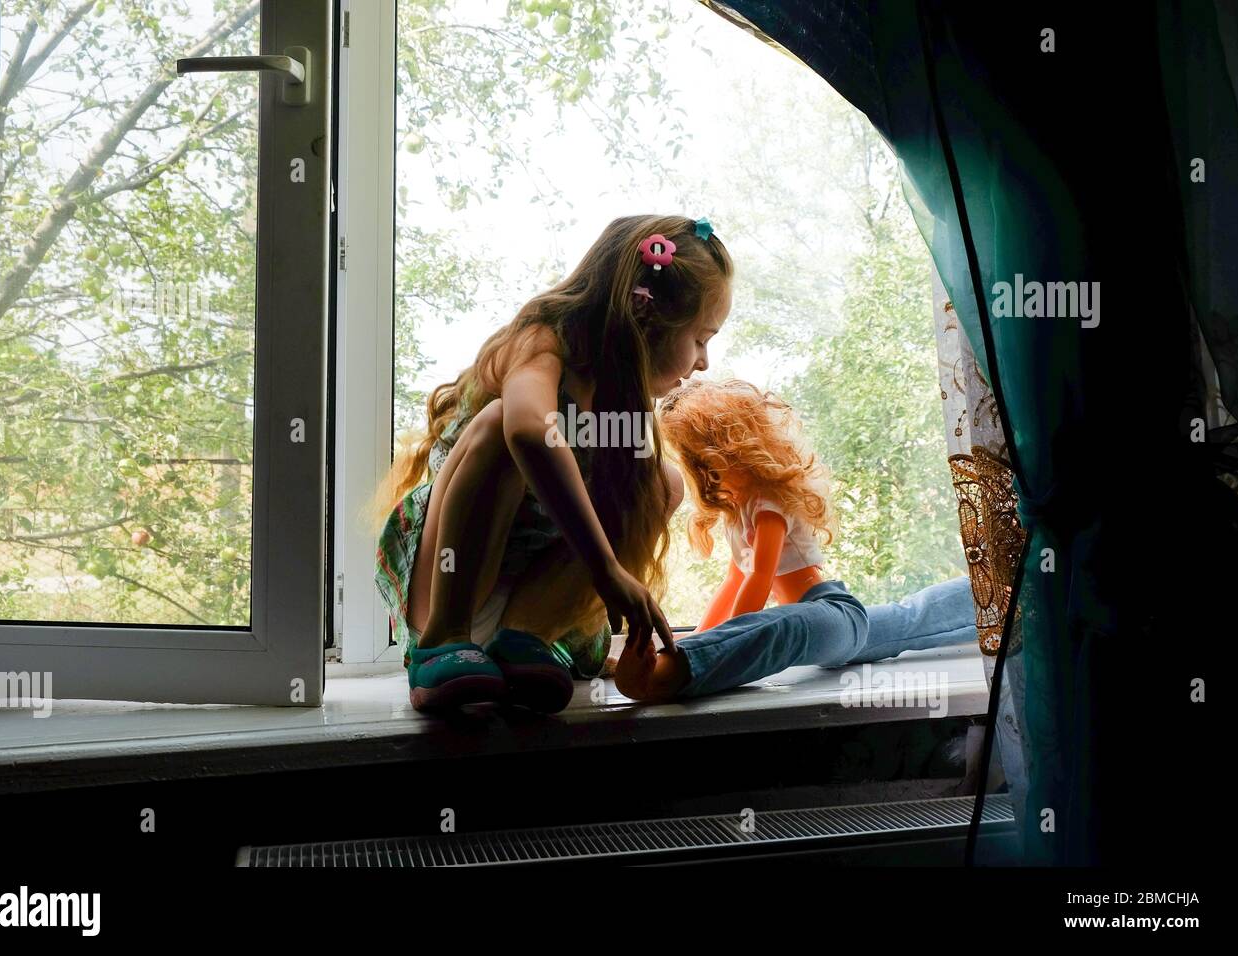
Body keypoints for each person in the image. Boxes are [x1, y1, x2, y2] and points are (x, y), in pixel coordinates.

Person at [370, 215, 733, 712]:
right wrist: (606, 569)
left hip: (527, 608)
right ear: (647, 322)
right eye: (700, 338)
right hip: (453, 586)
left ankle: (527, 636)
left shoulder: (620, 402)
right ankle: (442, 641)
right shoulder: (544, 340)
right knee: (504, 422)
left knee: (660, 482)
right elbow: (526, 428)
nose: (704, 361)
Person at [615, 378, 977, 701]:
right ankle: (991, 596)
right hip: (827, 625)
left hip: (830, 611)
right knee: (908, 620)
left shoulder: (767, 502)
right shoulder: (739, 512)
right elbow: (734, 581)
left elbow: (759, 578)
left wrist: (725, 641)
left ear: (724, 449)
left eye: (697, 460)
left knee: (780, 630)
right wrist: (693, 640)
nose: (699, 474)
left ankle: (666, 676)